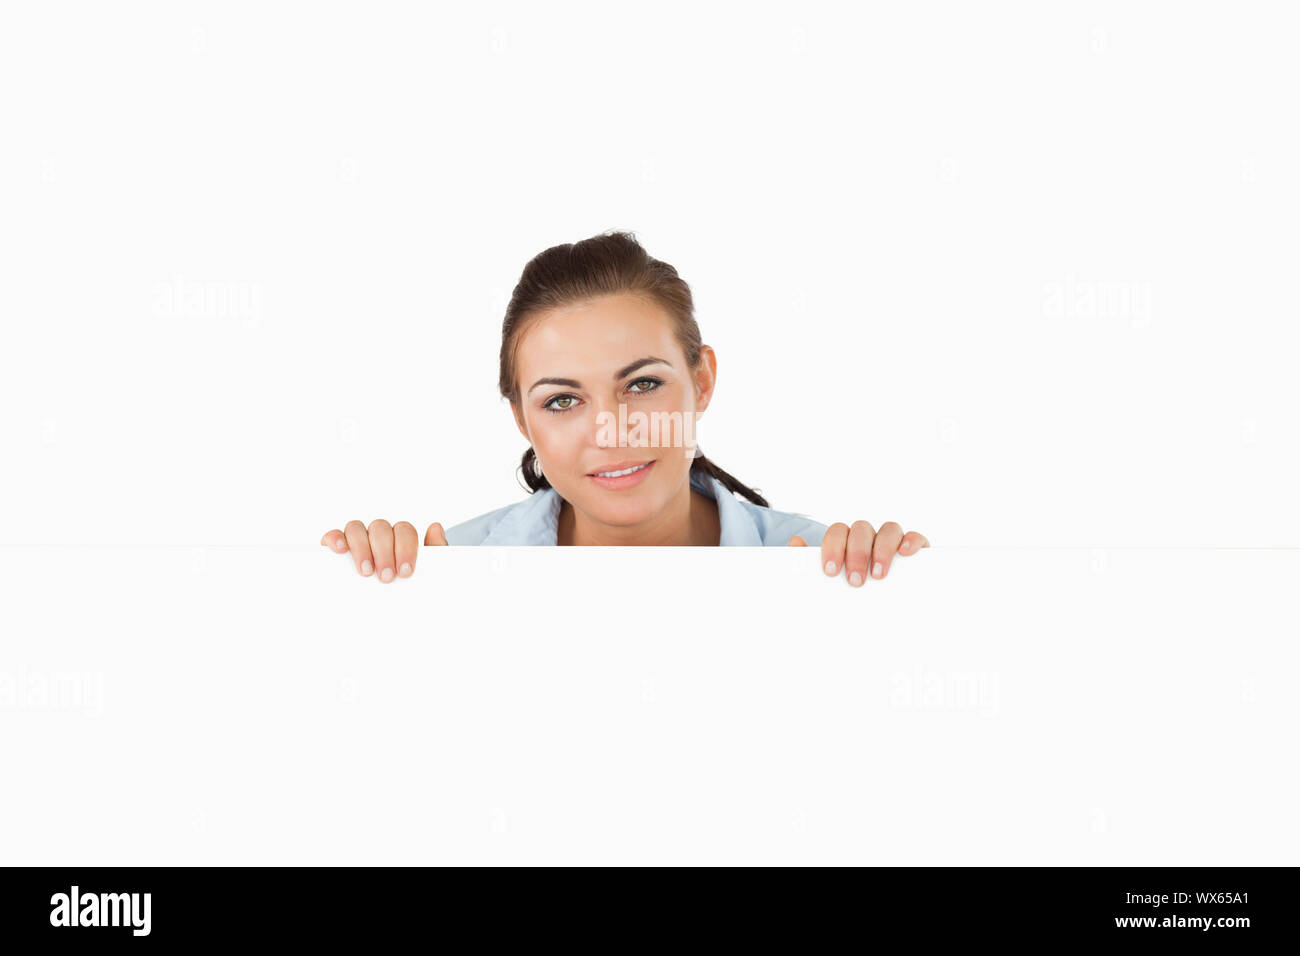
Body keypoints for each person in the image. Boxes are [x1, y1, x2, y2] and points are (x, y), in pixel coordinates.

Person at [321, 230, 929, 586]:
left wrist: (893, 601)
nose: (610, 429)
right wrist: (372, 604)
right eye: (562, 400)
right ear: (521, 421)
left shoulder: (821, 567)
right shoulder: (450, 571)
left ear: (703, 379)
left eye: (641, 385)